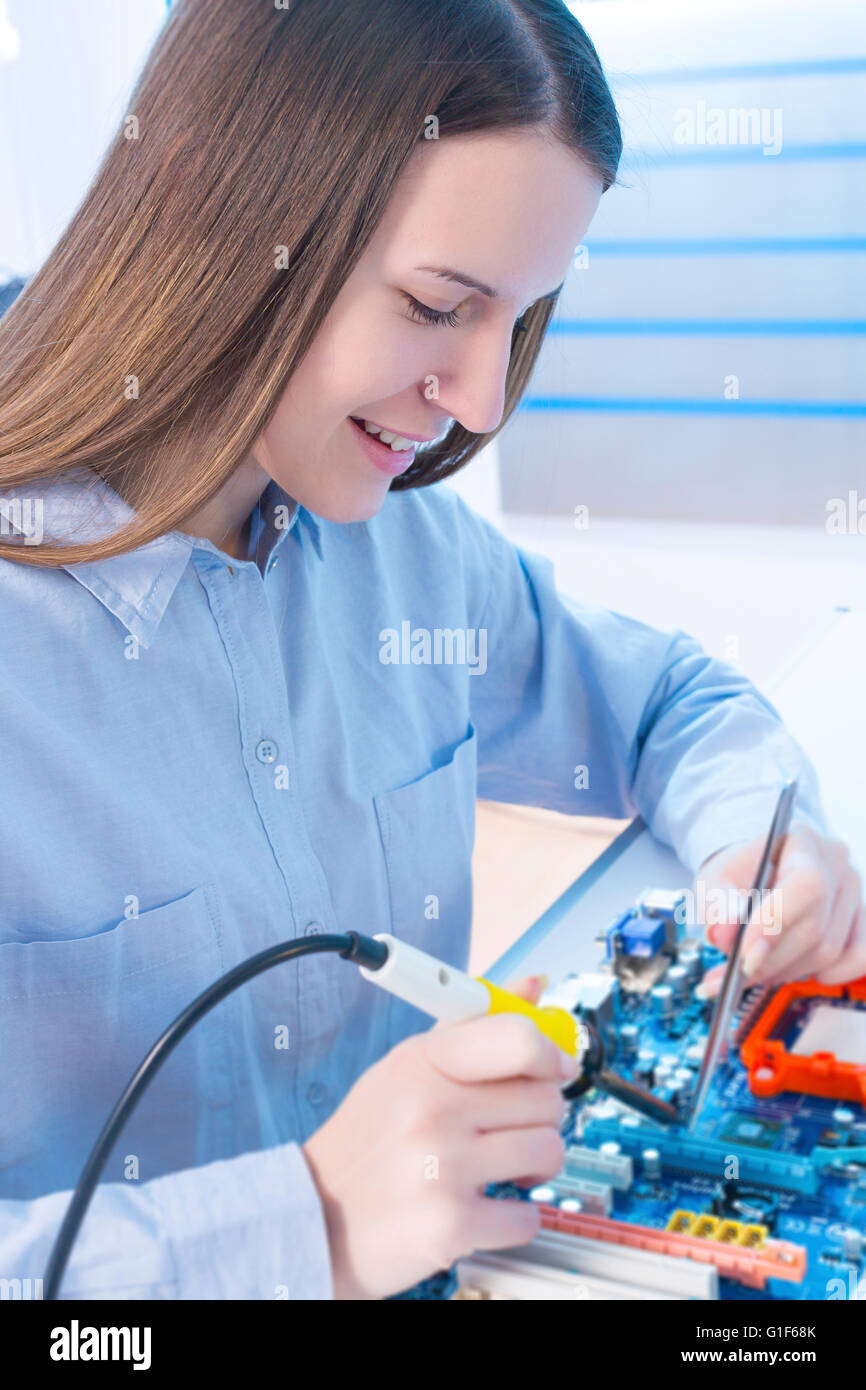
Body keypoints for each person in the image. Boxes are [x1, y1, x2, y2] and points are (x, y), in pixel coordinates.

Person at [0, 0, 861, 1302]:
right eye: (432, 305)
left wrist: (764, 844)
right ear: (213, 213)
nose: (478, 401)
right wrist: (308, 1224)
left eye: (513, 321)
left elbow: (667, 704)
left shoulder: (408, 553)